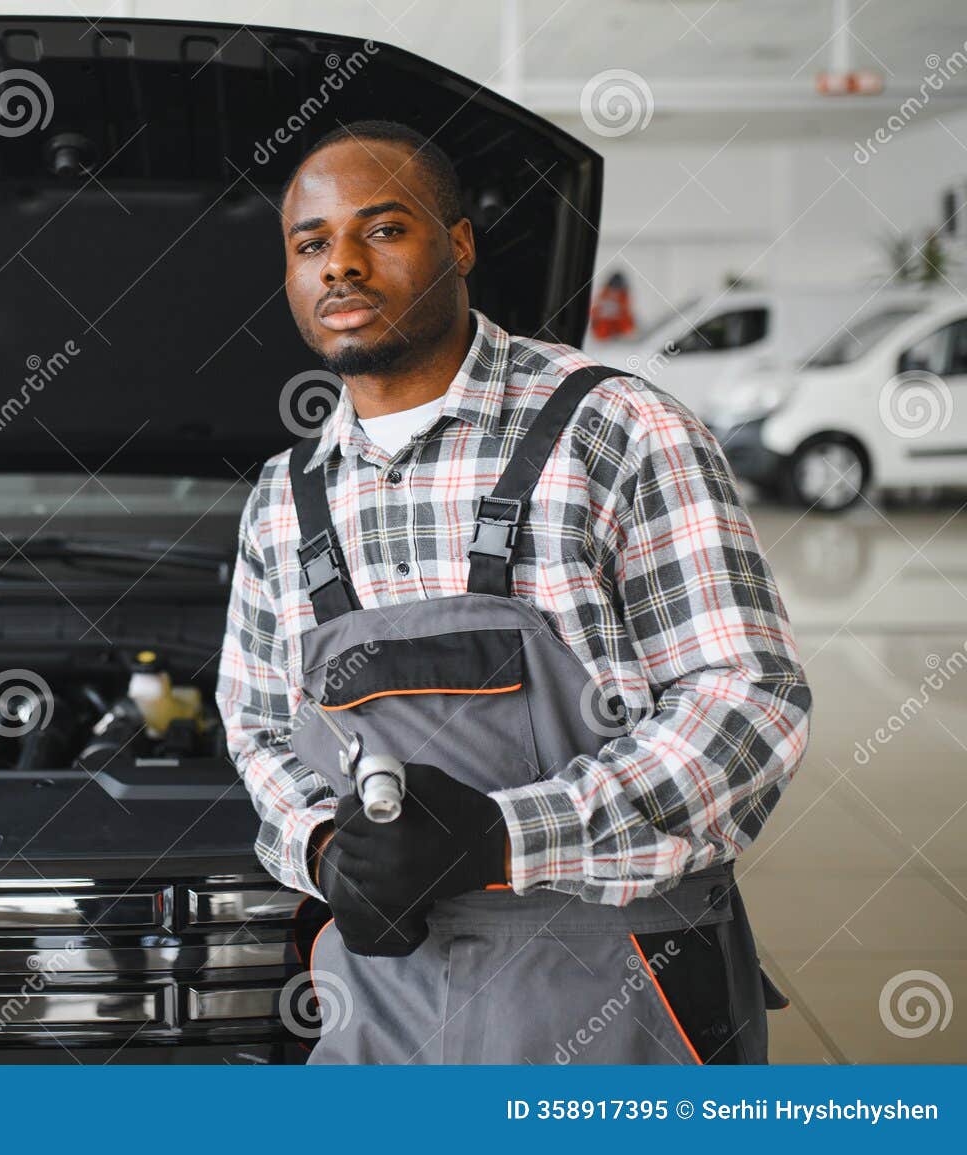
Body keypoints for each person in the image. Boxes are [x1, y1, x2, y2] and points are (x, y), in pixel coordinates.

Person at [215, 120, 810, 1064]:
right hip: (386, 1004)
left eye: (383, 229)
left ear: (458, 243)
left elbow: (747, 703)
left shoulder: (618, 429)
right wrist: (326, 850)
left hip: (622, 990)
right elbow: (258, 729)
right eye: (312, 243)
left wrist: (501, 837)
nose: (342, 267)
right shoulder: (284, 501)